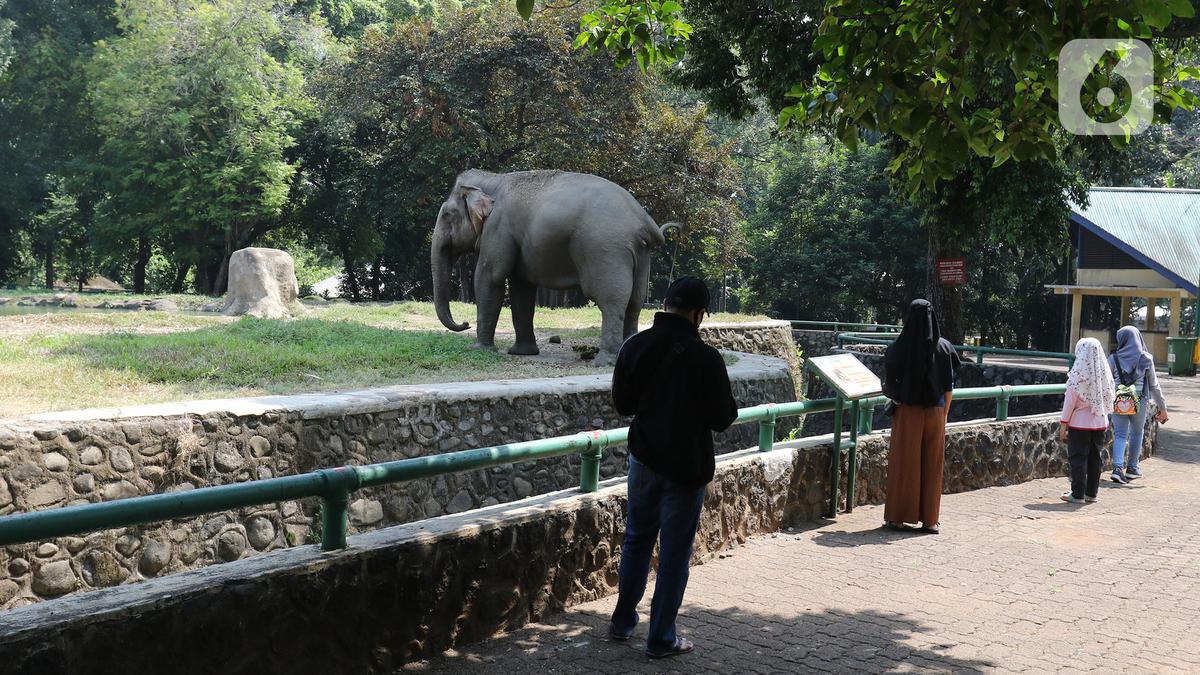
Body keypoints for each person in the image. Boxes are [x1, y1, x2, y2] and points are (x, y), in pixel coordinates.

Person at [607, 276, 738, 659]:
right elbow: (723, 417)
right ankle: (661, 637)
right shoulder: (706, 358)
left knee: (636, 540)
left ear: (665, 304)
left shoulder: (635, 345)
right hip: (685, 468)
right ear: (699, 315)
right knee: (675, 555)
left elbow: (623, 403)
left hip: (643, 460)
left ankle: (622, 622)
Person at [882, 299, 960, 534]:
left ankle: (897, 517)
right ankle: (930, 520)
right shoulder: (944, 348)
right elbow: (948, 387)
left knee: (904, 464)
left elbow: (889, 384)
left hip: (908, 412)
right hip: (936, 412)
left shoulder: (899, 348)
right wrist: (943, 415)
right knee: (932, 466)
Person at [1108, 325, 1169, 484]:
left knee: (1120, 434)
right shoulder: (1146, 358)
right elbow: (1154, 386)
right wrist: (1163, 408)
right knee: (1136, 433)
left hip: (1119, 401)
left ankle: (1117, 469)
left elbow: (1106, 383)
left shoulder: (1113, 358)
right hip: (1140, 401)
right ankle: (1132, 468)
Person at [1058, 337, 1115, 504]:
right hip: (1100, 423)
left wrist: (1063, 424)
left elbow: (1070, 402)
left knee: (1078, 458)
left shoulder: (1077, 375)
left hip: (1079, 424)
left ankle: (1077, 494)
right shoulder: (1104, 375)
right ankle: (1091, 493)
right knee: (1095, 458)